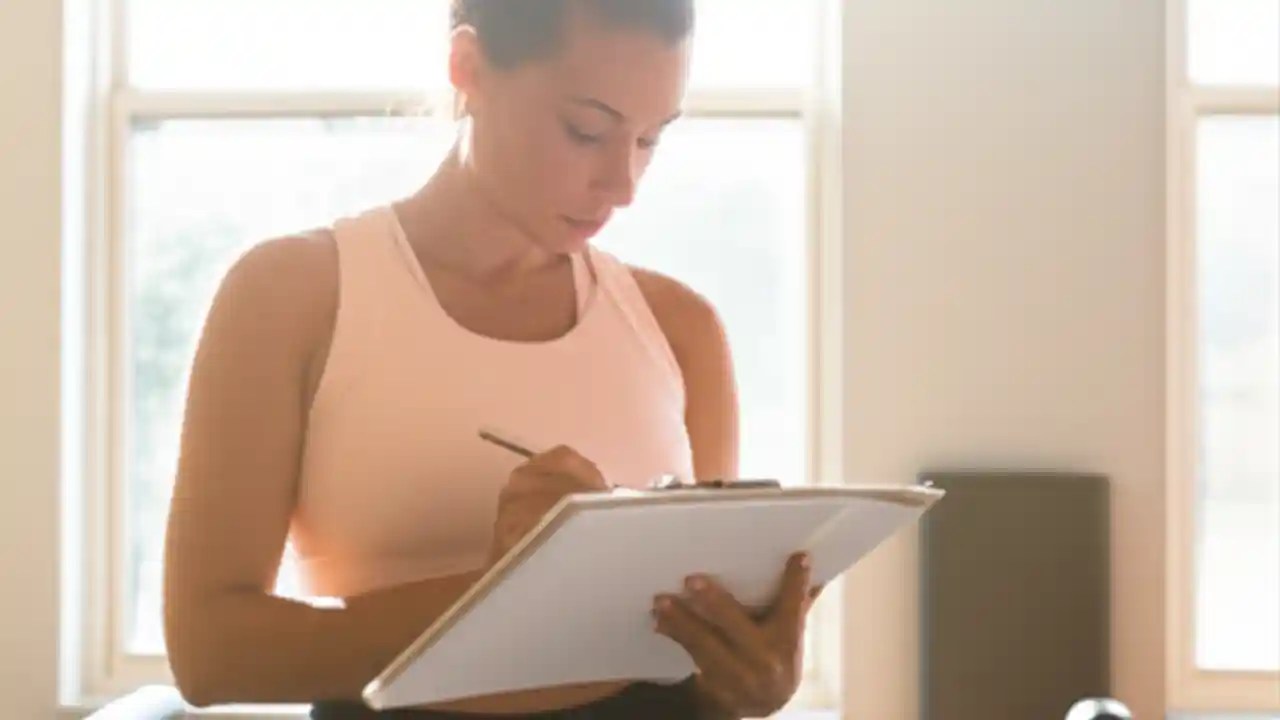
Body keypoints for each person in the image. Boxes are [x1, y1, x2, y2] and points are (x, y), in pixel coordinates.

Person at [162, 1, 821, 718]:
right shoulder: (293, 297)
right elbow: (210, 653)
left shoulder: (680, 328)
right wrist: (512, 596)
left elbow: (699, 667)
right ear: (467, 68)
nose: (624, 185)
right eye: (587, 130)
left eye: (650, 141)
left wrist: (751, 684)